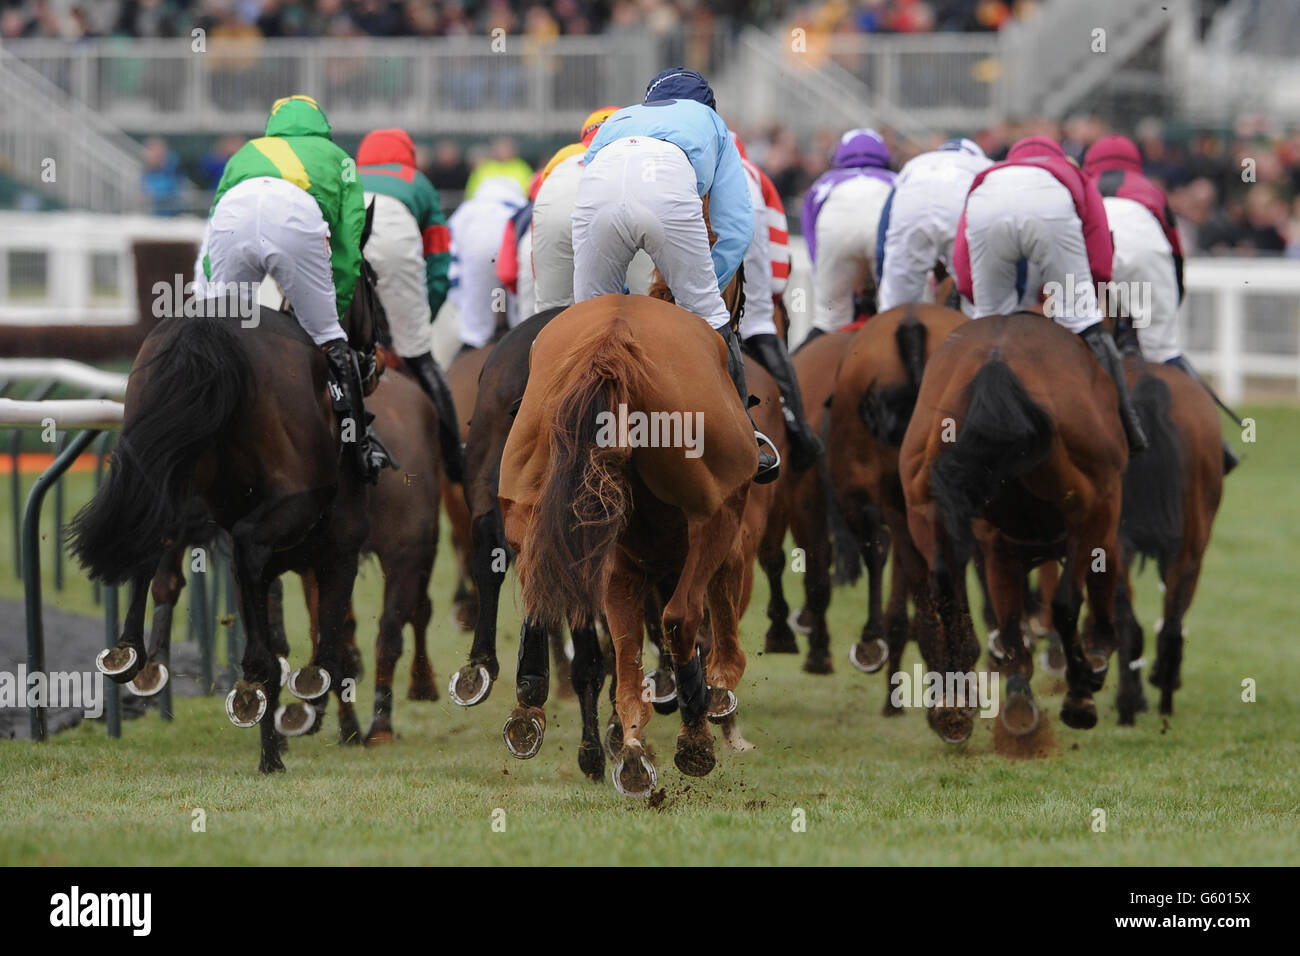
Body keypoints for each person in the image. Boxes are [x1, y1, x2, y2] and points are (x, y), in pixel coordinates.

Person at [572, 67, 779, 484]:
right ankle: (745, 435)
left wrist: (622, 297)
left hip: (597, 189)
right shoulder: (712, 123)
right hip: (665, 186)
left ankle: (572, 434)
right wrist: (704, 286)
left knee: (588, 323)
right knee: (709, 311)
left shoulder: (621, 116)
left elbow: (595, 185)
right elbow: (736, 227)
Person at [200, 93, 392, 482]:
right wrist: (331, 314)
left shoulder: (245, 153)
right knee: (328, 336)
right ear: (322, 125)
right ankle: (358, 453)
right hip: (293, 216)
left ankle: (204, 439)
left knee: (217, 335)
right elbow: (347, 243)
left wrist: (206, 301)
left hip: (231, 217)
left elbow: (214, 225)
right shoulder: (340, 159)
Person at [953, 135, 1149, 453]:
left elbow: (963, 268)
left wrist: (984, 305)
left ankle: (963, 426)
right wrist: (1084, 294)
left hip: (985, 206)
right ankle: (1128, 424)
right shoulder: (1071, 174)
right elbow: (1099, 257)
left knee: (989, 325)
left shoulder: (991, 175)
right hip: (1050, 205)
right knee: (1082, 317)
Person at [1083, 134, 1237, 472]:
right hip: (1147, 254)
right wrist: (1166, 311)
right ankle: (1216, 446)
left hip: (1093, 248)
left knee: (1078, 347)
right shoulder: (1150, 189)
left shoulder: (1084, 185)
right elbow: (1176, 254)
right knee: (1162, 355)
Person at [356, 126, 465, 482]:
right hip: (394, 238)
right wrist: (419, 323)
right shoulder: (417, 182)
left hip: (345, 231)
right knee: (421, 355)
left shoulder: (350, 176)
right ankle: (456, 463)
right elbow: (437, 263)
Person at [733, 131, 823, 472]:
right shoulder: (752, 174)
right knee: (759, 320)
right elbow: (776, 259)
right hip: (743, 293)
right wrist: (770, 295)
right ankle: (798, 429)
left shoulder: (680, 164)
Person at [876, 137, 992, 315]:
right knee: (981, 307)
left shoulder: (915, 164)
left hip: (911, 210)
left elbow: (885, 226)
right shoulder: (985, 164)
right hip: (960, 208)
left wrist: (883, 273)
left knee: (894, 311)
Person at [800, 128, 896, 343]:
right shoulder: (894, 179)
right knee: (893, 314)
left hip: (835, 233)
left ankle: (796, 373)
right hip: (880, 233)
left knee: (829, 318)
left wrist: (825, 273)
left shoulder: (824, 183)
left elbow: (812, 236)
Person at [531, 106, 620, 312]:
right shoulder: (636, 147)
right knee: (638, 306)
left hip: (555, 210)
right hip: (614, 207)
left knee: (550, 315)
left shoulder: (563, 156)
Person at [448, 176, 528, 351]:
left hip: (476, 248)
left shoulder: (466, 210)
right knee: (522, 328)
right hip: (512, 242)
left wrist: (460, 302)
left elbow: (452, 263)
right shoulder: (521, 205)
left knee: (473, 332)